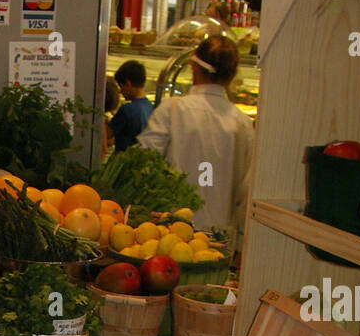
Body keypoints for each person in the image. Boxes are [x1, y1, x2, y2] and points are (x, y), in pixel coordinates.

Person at [138, 33, 253, 237]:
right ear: (232, 76)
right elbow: (247, 191)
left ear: (194, 67)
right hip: (220, 240)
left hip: (170, 235)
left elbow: (143, 166)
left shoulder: (172, 111)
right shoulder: (243, 124)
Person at [108, 60, 153, 152]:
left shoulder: (127, 109)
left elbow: (105, 134)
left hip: (123, 162)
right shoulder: (150, 107)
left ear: (128, 84)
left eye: (121, 87)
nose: (121, 92)